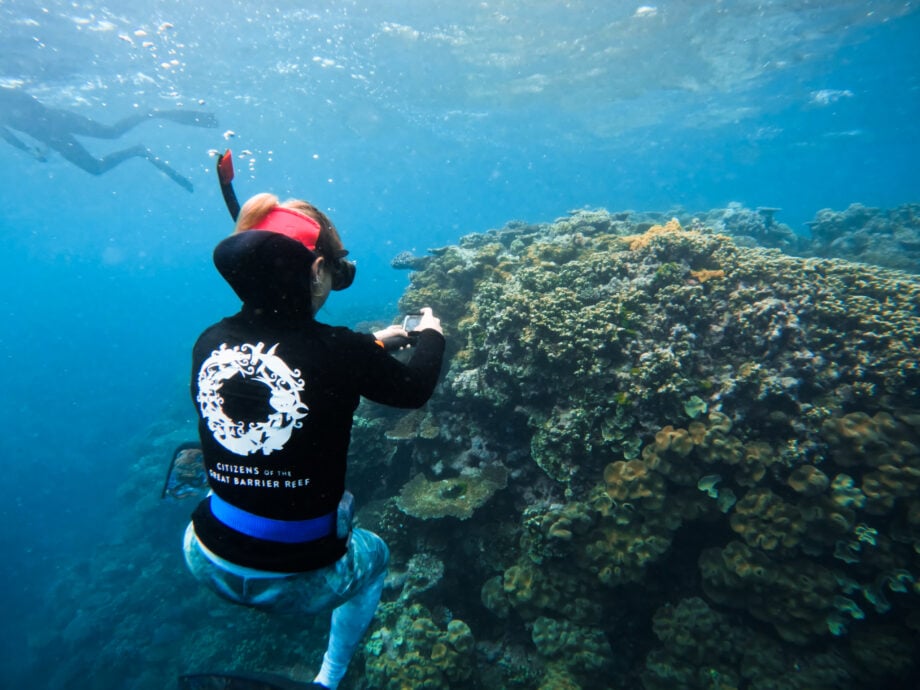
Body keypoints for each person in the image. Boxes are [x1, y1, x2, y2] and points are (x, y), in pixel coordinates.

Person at [183, 192, 445, 690]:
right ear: (318, 270)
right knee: (377, 557)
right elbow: (413, 391)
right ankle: (329, 677)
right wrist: (431, 335)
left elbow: (299, 358)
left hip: (204, 555)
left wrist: (371, 344)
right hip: (296, 582)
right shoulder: (340, 350)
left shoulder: (208, 341)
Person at [0, 88, 217, 191]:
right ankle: (137, 151)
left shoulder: (7, 94)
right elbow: (8, 136)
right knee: (95, 168)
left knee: (111, 133)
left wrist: (41, 141)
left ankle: (151, 113)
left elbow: (34, 108)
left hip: (60, 121)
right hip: (52, 135)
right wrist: (31, 150)